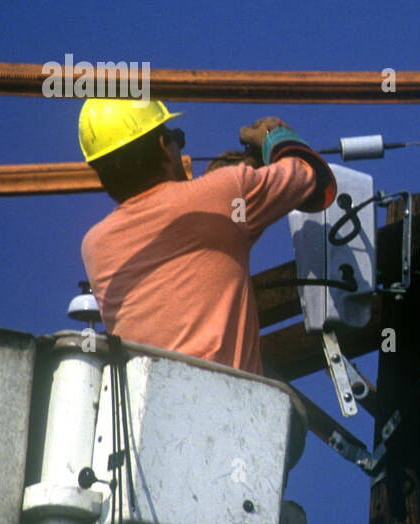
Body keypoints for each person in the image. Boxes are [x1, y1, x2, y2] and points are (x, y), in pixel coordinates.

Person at [79, 99, 335, 375]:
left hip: (152, 410)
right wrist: (274, 136)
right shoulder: (227, 193)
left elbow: (178, 238)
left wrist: (213, 189)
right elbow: (315, 178)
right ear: (165, 148)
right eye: (177, 138)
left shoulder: (95, 246)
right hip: (225, 404)